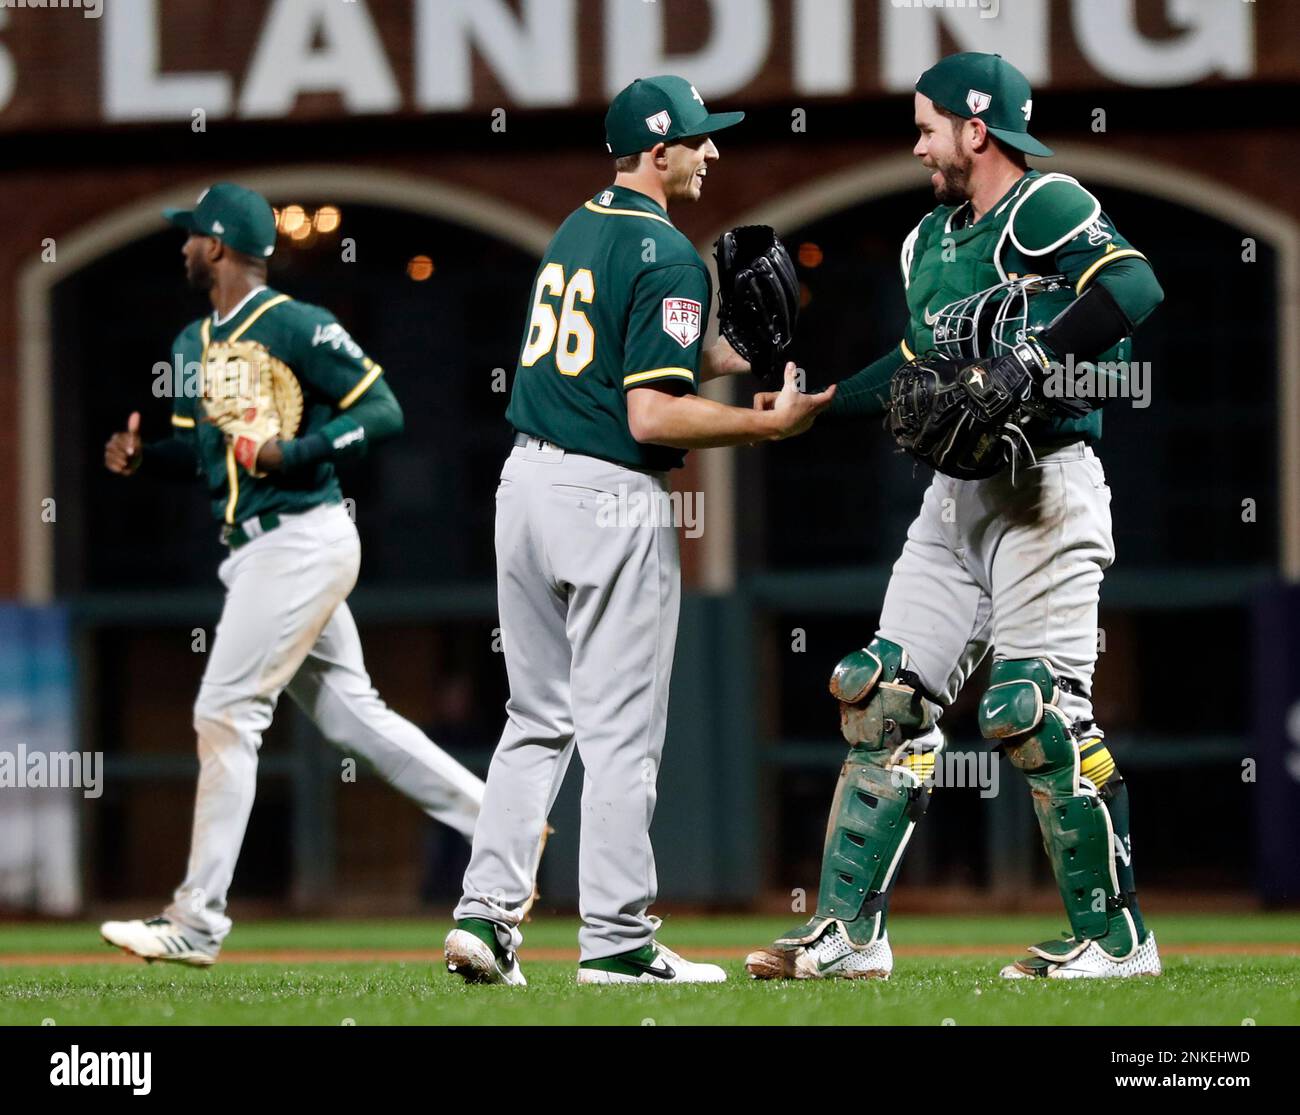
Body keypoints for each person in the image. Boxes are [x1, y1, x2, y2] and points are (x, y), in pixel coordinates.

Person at [745, 52, 1165, 981]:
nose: (918, 143)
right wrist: (820, 401)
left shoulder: (1043, 203)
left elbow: (1133, 291)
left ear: (977, 129)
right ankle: (850, 937)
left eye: (928, 125)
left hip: (1045, 486)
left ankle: (1118, 938)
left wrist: (1028, 363)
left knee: (1034, 713)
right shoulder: (925, 241)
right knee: (878, 696)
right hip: (953, 499)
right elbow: (908, 365)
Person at [444, 76, 834, 986]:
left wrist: (733, 356)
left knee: (535, 716)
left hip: (525, 485)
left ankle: (486, 916)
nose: (713, 153)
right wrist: (764, 424)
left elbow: (639, 350)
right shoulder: (666, 251)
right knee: (621, 731)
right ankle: (617, 939)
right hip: (606, 496)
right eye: (700, 140)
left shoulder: (578, 228)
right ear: (659, 151)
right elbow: (653, 415)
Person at [100, 183, 487, 966]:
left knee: (226, 712)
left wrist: (299, 452)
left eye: (190, 236)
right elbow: (209, 461)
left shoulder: (295, 324)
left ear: (215, 246)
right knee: (353, 719)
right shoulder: (189, 344)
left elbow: (382, 410)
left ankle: (197, 919)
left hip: (303, 538)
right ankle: (500, 819)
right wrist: (146, 459)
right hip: (253, 548)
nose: (181, 247)